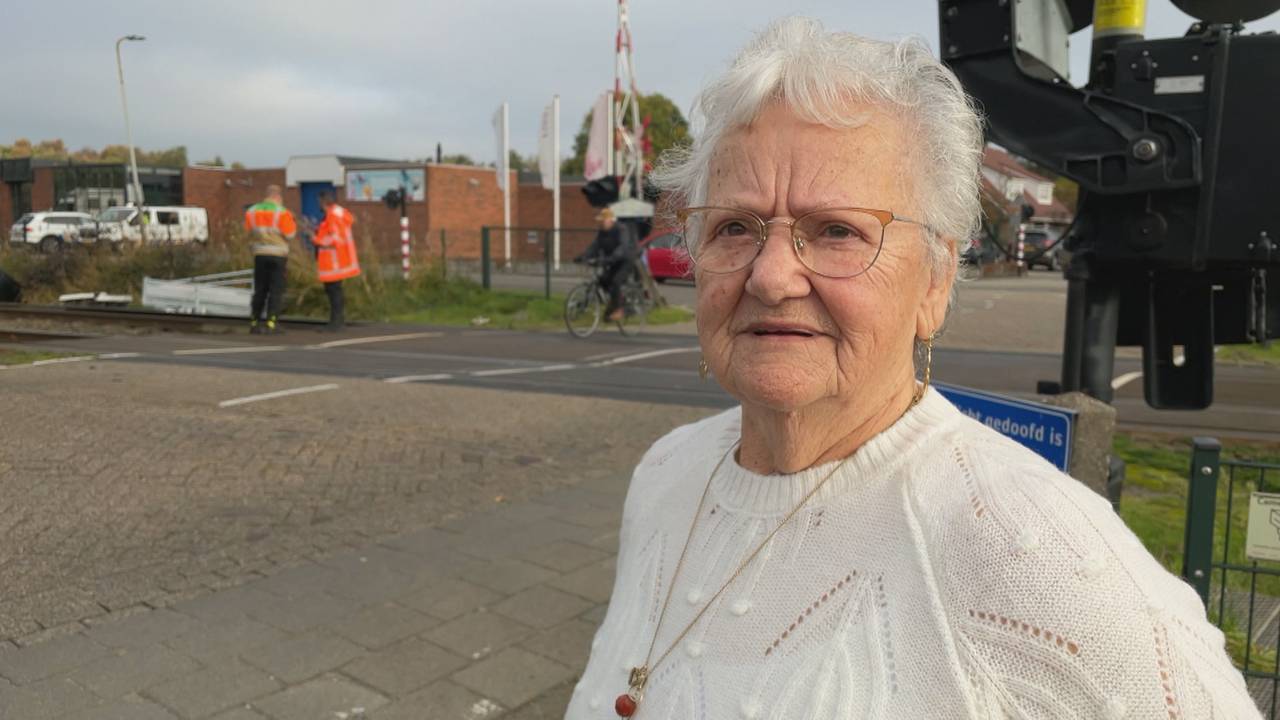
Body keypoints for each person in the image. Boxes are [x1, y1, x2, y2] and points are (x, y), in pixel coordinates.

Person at [566, 18, 1259, 720]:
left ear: (934, 280)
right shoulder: (664, 473)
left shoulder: (1040, 559)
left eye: (837, 230)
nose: (772, 276)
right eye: (735, 227)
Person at [244, 185, 297, 334]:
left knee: (260, 289)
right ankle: (271, 323)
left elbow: (248, 231)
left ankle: (254, 323)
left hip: (259, 254)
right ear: (278, 197)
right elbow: (290, 234)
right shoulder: (282, 212)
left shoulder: (252, 211)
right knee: (276, 290)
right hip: (278, 255)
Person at [578, 207, 639, 322]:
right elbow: (595, 246)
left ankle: (619, 310)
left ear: (610, 220)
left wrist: (611, 258)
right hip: (612, 261)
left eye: (603, 220)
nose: (601, 222)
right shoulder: (602, 232)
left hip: (626, 261)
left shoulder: (621, 229)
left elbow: (623, 247)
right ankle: (613, 303)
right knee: (603, 281)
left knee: (616, 281)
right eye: (600, 220)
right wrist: (583, 256)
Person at [312, 191, 361, 331]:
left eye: (319, 202)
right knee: (335, 291)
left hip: (334, 261)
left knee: (334, 291)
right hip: (338, 260)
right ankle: (338, 321)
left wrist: (316, 240)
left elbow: (335, 239)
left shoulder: (332, 216)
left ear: (323, 202)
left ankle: (336, 322)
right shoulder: (338, 214)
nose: (318, 205)